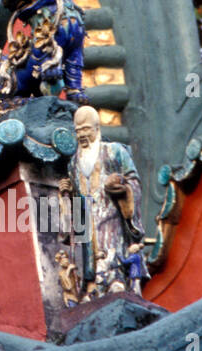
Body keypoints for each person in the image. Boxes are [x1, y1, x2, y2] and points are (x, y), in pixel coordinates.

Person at [57, 105, 146, 299]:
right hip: (88, 219)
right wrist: (66, 194)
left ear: (97, 128)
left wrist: (122, 187)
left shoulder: (114, 151)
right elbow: (75, 199)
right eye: (78, 130)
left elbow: (133, 181)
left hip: (111, 213)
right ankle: (91, 286)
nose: (82, 134)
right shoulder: (73, 163)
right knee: (89, 253)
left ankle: (117, 280)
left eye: (86, 129)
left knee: (112, 248)